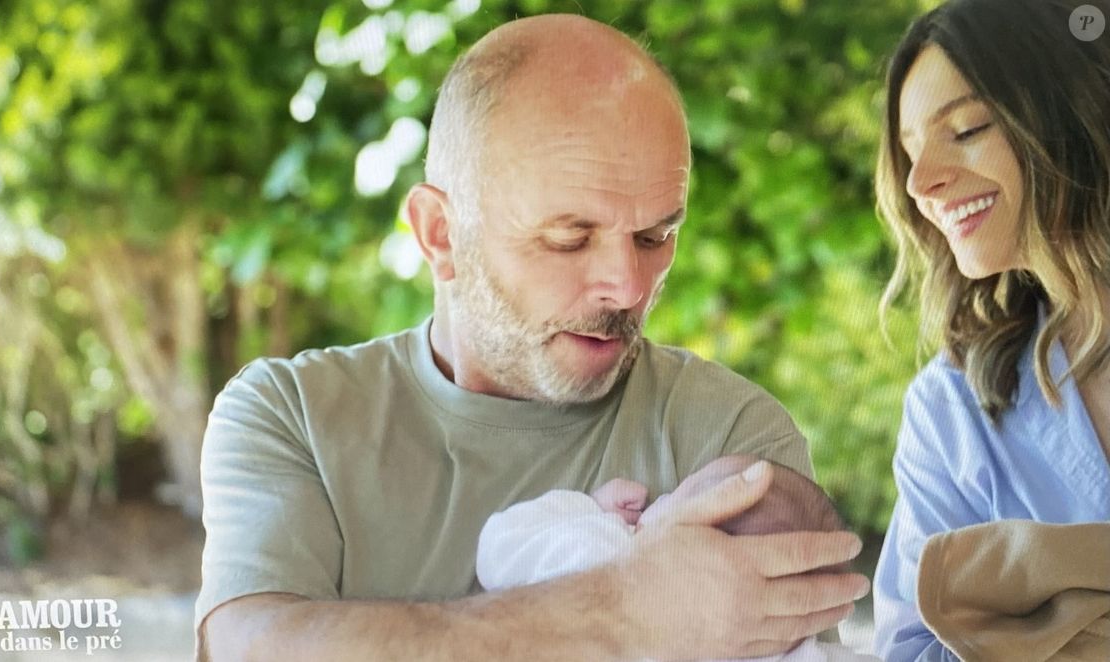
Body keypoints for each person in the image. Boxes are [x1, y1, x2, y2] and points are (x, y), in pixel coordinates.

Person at [197, 14, 869, 661]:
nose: (628, 287)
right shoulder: (296, 416)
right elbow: (247, 648)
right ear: (440, 235)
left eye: (655, 237)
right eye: (569, 239)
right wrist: (622, 612)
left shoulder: (727, 441)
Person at [870, 0, 1110, 659]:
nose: (921, 182)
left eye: (968, 127)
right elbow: (911, 649)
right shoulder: (951, 407)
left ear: (1072, 115)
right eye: (910, 152)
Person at [476, 454, 880, 662]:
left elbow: (499, 547)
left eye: (678, 493)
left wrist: (589, 510)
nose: (661, 494)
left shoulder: (606, 553)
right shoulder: (804, 655)